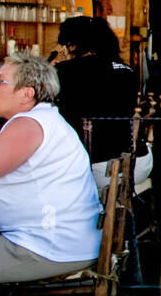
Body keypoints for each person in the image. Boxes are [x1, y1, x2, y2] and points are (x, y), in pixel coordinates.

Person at [0, 53, 103, 296]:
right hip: (59, 238)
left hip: (51, 244)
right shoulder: (36, 120)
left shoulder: (30, 125)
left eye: (0, 81)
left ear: (26, 93)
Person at [54, 14, 152, 191]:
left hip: (100, 169)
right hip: (139, 164)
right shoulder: (127, 71)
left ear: (73, 45)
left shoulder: (62, 72)